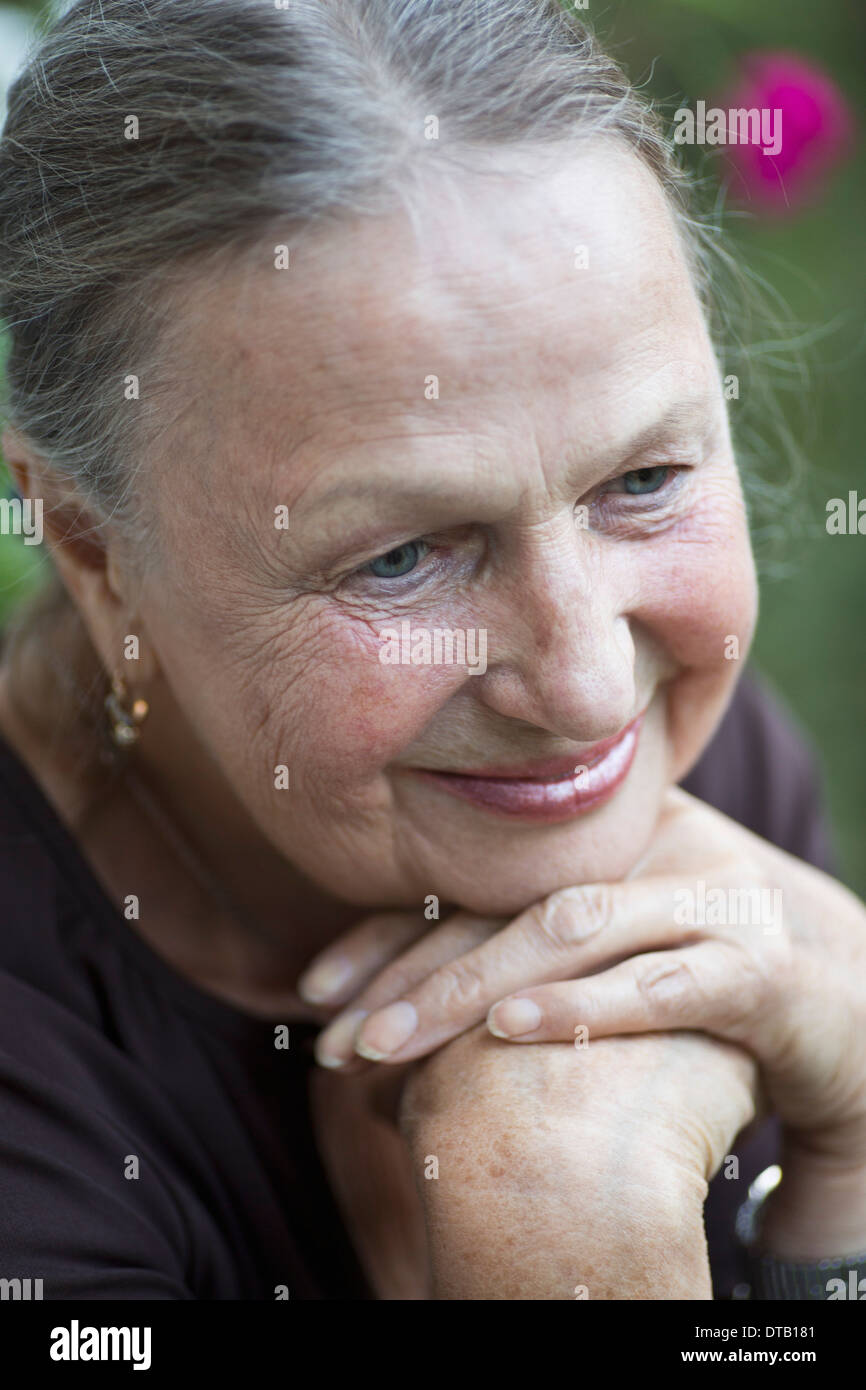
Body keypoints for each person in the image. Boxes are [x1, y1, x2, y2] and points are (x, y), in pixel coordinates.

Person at [0, 0, 863, 1301]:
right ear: (96, 555)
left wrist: (845, 1157)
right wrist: (563, 1236)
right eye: (400, 557)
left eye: (642, 477)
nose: (581, 689)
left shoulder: (703, 774)